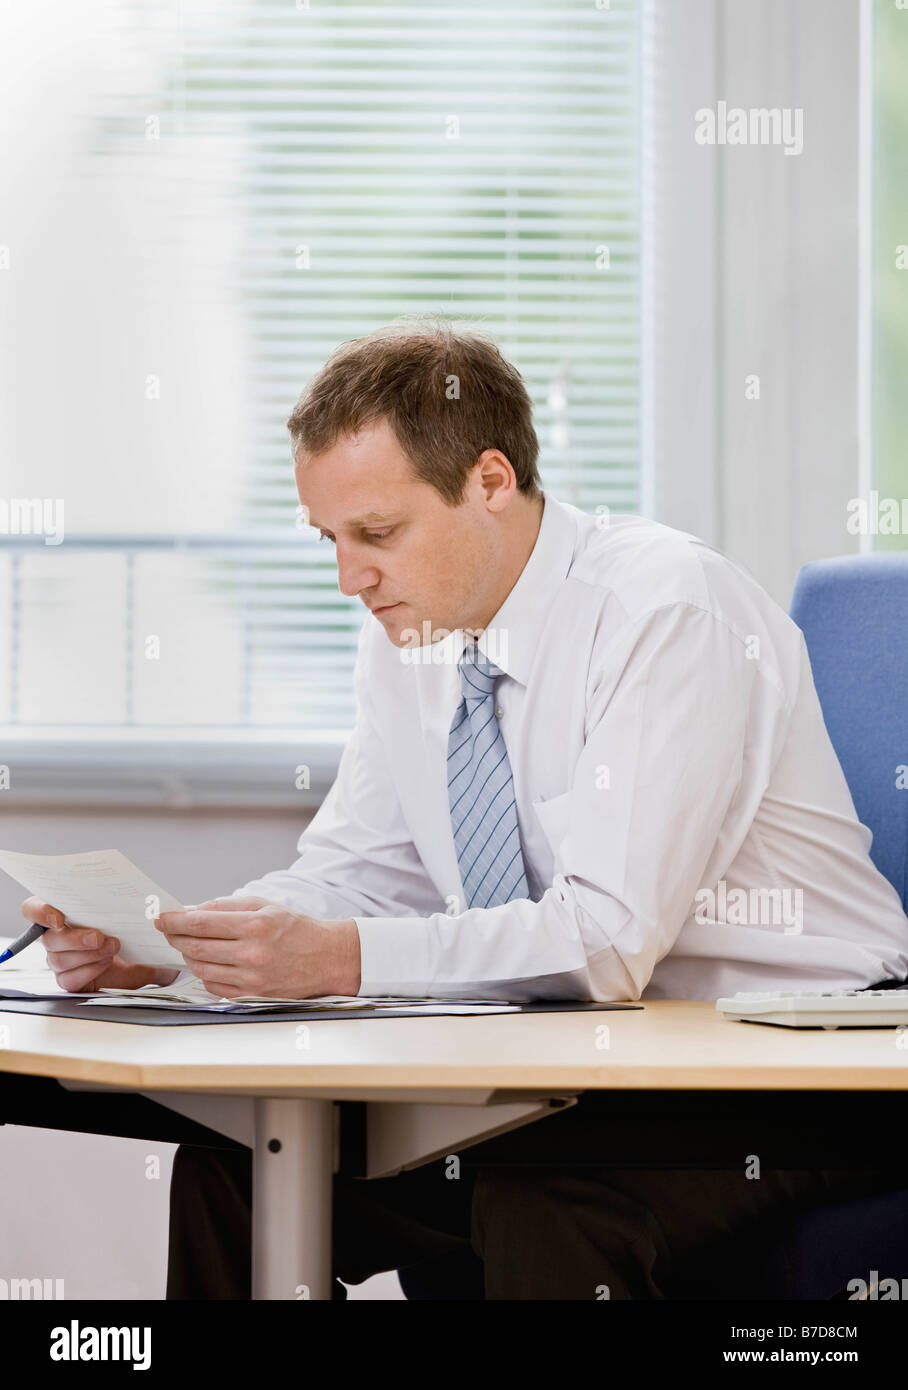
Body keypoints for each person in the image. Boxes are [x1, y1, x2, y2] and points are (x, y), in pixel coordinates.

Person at [15, 317, 908, 1298]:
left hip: (787, 1072)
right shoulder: (412, 632)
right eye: (330, 540)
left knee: (542, 1206)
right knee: (239, 1169)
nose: (349, 577)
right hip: (576, 1077)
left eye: (377, 534)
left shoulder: (662, 608)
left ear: (488, 481)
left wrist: (338, 955)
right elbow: (356, 872)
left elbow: (602, 944)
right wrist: (182, 950)